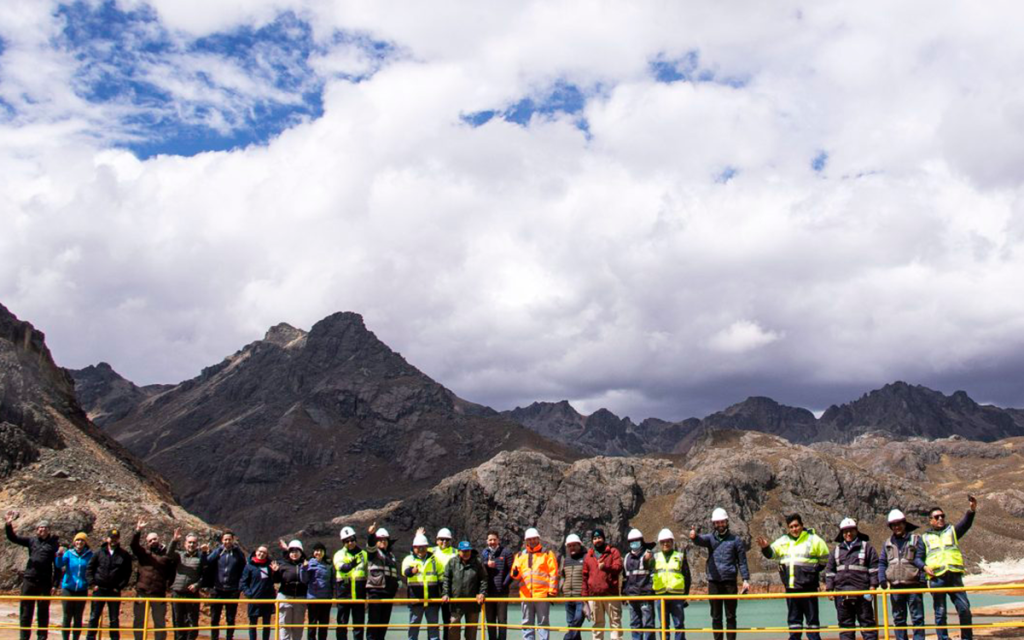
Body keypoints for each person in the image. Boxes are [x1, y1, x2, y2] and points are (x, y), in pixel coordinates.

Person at [757, 514, 829, 640]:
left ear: (802, 525)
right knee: (794, 623)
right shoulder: (784, 540)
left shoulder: (814, 539)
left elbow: (824, 558)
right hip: (791, 589)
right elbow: (772, 554)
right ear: (788, 528)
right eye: (791, 527)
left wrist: (813, 572)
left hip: (809, 589)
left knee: (812, 623)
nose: (794, 529)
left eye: (796, 526)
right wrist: (765, 548)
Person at [921, 497, 977, 640]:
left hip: (954, 577)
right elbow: (918, 558)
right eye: (937, 517)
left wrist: (971, 510)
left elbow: (965, 524)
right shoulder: (924, 538)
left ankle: (966, 638)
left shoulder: (952, 531)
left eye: (942, 516)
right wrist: (924, 567)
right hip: (936, 578)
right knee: (940, 613)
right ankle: (943, 638)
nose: (940, 518)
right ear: (930, 520)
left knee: (964, 609)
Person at [689, 509, 749, 640]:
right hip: (714, 582)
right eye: (717, 523)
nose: (720, 525)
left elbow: (742, 562)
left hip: (730, 583)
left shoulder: (736, 540)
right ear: (714, 524)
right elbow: (699, 540)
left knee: (731, 616)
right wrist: (694, 536)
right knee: (716, 616)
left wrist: (745, 579)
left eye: (722, 522)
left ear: (727, 522)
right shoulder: (710, 539)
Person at [5, 510, 61, 640]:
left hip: (44, 582)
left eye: (45, 528)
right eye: (40, 527)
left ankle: (42, 638)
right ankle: (24, 637)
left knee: (43, 611)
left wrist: (55, 584)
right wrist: (8, 524)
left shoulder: (53, 544)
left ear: (49, 530)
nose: (43, 529)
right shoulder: (31, 541)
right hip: (29, 579)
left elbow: (57, 566)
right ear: (37, 530)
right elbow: (13, 538)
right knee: (26, 611)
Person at [824, 519, 878, 640]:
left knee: (867, 626)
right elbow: (830, 571)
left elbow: (874, 568)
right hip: (842, 594)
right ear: (842, 533)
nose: (849, 534)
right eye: (846, 531)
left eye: (851, 530)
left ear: (856, 531)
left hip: (863, 594)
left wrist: (873, 586)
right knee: (846, 628)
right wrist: (829, 588)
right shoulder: (836, 551)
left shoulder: (867, 548)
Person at [878, 510, 925, 640]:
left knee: (917, 618)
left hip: (913, 587)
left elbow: (922, 560)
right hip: (895, 588)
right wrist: (882, 579)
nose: (896, 527)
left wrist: (922, 580)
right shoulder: (887, 543)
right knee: (898, 619)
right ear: (890, 527)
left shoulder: (915, 540)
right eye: (893, 525)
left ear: (904, 524)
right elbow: (882, 563)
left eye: (899, 524)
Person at [130, 520, 179, 640]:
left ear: (159, 539)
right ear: (147, 543)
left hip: (158, 594)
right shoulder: (144, 554)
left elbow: (172, 564)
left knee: (159, 623)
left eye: (154, 539)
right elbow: (133, 546)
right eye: (150, 540)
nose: (153, 542)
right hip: (142, 593)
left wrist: (174, 540)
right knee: (139, 621)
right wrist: (138, 530)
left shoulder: (165, 556)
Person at [510, 528, 558, 640]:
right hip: (526, 596)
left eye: (534, 539)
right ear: (526, 541)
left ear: (538, 539)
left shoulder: (547, 554)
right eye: (529, 539)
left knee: (543, 623)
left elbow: (553, 573)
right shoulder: (520, 555)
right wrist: (515, 572)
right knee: (527, 623)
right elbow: (515, 574)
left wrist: (551, 592)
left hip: (542, 595)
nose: (532, 541)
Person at [85, 528, 133, 640]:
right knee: (94, 617)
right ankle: (90, 638)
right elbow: (89, 568)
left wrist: (119, 587)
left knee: (114, 618)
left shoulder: (124, 555)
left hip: (114, 591)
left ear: (119, 539)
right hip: (99, 590)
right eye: (111, 538)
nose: (113, 540)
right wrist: (92, 584)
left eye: (116, 538)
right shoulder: (98, 552)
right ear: (107, 538)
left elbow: (127, 573)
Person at [206, 531, 248, 640]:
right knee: (215, 617)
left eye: (229, 539)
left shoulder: (238, 554)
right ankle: (214, 637)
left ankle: (230, 637)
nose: (227, 542)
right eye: (225, 539)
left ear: (233, 540)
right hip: (217, 589)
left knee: (230, 617)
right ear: (222, 540)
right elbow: (208, 562)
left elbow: (244, 570)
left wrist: (239, 587)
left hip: (232, 590)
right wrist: (218, 551)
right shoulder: (218, 552)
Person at [581, 529, 622, 640]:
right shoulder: (588, 556)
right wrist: (585, 598)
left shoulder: (613, 552)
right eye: (594, 538)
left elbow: (618, 568)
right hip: (594, 596)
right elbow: (584, 577)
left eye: (599, 537)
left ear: (603, 538)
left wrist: (606, 567)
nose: (597, 540)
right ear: (592, 541)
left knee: (615, 623)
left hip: (611, 595)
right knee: (597, 625)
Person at [442, 541, 487, 640]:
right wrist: (445, 593)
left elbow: (483, 579)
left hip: (473, 603)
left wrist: (482, 593)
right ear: (458, 551)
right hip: (456, 602)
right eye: (464, 551)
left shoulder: (478, 563)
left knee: (471, 631)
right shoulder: (452, 562)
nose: (466, 553)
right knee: (453, 626)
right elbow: (446, 579)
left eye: (468, 551)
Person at [404, 533, 443, 640]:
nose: (420, 549)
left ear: (427, 547)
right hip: (416, 600)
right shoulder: (409, 559)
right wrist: (412, 571)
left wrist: (444, 594)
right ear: (413, 547)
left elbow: (441, 579)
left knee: (433, 627)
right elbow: (405, 572)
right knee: (414, 627)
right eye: (417, 547)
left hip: (432, 601)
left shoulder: (435, 560)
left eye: (422, 547)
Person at [168, 530, 206, 640]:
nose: (191, 545)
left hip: (192, 594)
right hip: (177, 592)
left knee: (192, 621)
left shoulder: (201, 557)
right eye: (189, 542)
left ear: (197, 544)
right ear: (185, 544)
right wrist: (174, 540)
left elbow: (206, 575)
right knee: (178, 620)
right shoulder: (179, 555)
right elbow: (169, 554)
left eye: (194, 543)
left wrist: (197, 585)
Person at [365, 524, 401, 640]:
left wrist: (397, 583)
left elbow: (393, 573)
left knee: (383, 625)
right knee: (374, 624)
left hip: (388, 594)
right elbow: (370, 546)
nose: (383, 542)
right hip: (376, 592)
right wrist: (371, 535)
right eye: (380, 539)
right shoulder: (374, 553)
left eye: (385, 539)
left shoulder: (391, 556)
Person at [653, 529, 690, 640]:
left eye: (668, 541)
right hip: (661, 597)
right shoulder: (655, 558)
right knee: (664, 626)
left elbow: (687, 576)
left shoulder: (680, 556)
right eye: (663, 542)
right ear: (660, 543)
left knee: (679, 624)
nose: (666, 544)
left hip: (676, 596)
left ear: (672, 542)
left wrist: (685, 596)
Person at [55, 533, 93, 640]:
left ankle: (76, 638)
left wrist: (90, 582)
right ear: (74, 542)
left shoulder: (90, 555)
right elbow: (59, 565)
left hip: (81, 589)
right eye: (77, 540)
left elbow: (93, 568)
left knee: (78, 616)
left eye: (82, 541)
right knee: (67, 616)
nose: (79, 542)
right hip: (68, 588)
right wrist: (59, 555)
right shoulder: (69, 553)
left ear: (85, 543)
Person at [333, 527, 368, 640]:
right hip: (344, 596)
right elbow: (342, 568)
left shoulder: (364, 554)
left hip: (359, 596)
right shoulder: (339, 554)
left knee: (358, 625)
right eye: (347, 541)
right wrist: (352, 564)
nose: (350, 543)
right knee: (342, 624)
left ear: (355, 539)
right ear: (343, 542)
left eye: (352, 540)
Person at [240, 546, 278, 640]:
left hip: (267, 600)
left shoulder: (270, 565)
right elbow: (243, 582)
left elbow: (275, 580)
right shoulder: (249, 566)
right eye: (260, 552)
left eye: (264, 553)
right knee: (253, 624)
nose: (261, 554)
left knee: (266, 624)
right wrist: (249, 594)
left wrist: (275, 572)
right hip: (254, 599)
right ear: (256, 552)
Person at [622, 529, 654, 640]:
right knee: (635, 625)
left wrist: (649, 592)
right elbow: (625, 578)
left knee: (648, 625)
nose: (634, 542)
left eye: (636, 540)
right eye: (632, 541)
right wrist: (624, 594)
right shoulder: (626, 558)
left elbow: (652, 575)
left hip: (645, 597)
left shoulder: (648, 555)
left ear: (641, 541)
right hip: (632, 598)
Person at [481, 531, 514, 640]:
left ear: (498, 540)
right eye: (490, 540)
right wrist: (487, 564)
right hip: (488, 592)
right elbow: (480, 570)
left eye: (494, 539)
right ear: (487, 541)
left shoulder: (506, 552)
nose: (492, 542)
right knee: (490, 620)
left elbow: (512, 571)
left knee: (502, 620)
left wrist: (504, 585)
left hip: (502, 593)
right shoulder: (484, 553)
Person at [301, 542, 335, 640]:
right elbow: (304, 580)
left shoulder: (329, 564)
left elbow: (332, 581)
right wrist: (304, 568)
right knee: (312, 624)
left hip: (326, 599)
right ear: (313, 552)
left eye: (320, 550)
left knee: (324, 625)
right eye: (316, 551)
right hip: (313, 599)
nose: (318, 553)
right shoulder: (308, 563)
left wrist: (333, 595)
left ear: (324, 552)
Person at [275, 540, 308, 640]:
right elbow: (276, 580)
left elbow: (308, 579)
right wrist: (276, 572)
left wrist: (305, 569)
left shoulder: (305, 564)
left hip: (300, 597)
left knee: (298, 625)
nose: (294, 554)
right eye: (292, 551)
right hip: (285, 596)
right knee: (284, 624)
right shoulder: (283, 565)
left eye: (296, 551)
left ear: (301, 553)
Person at [559, 535, 586, 640]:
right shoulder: (566, 560)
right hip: (568, 598)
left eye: (574, 545)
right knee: (571, 624)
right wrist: (562, 588)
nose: (572, 548)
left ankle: (566, 638)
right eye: (569, 546)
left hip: (581, 598)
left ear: (579, 545)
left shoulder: (586, 558)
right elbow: (563, 576)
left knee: (577, 621)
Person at [431, 529, 457, 637]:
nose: (444, 542)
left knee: (447, 617)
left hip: (450, 586)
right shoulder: (431, 551)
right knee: (432, 617)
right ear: (437, 540)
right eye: (442, 539)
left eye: (447, 540)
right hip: (434, 586)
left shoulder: (455, 552)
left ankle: (447, 638)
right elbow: (415, 551)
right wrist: (417, 536)